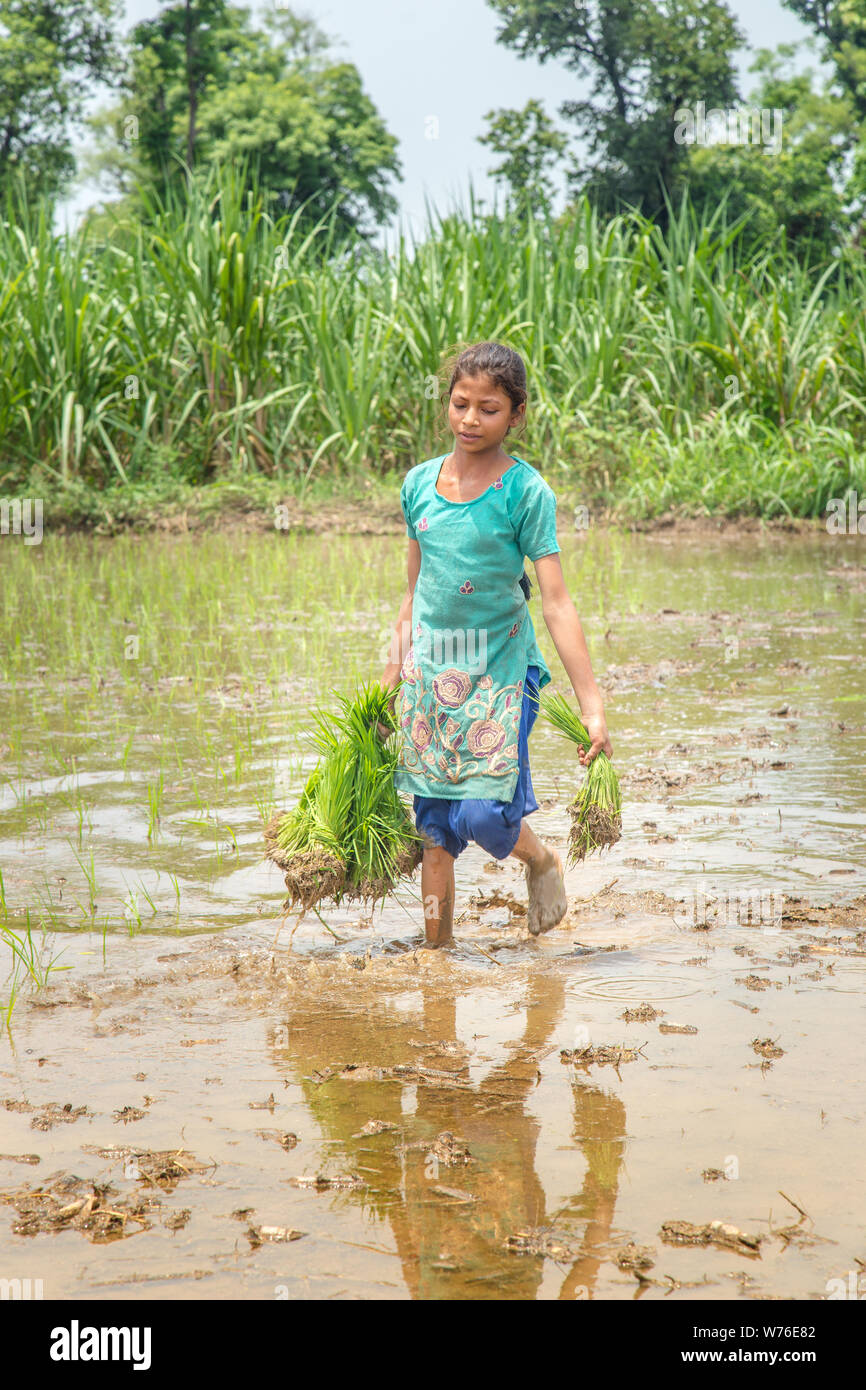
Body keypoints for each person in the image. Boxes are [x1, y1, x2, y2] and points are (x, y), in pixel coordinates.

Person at [379, 341, 612, 947]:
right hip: (431, 676)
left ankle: (539, 860)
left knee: (483, 813)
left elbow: (556, 602)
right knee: (433, 828)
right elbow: (413, 594)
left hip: (501, 673)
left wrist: (592, 710)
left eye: (488, 409)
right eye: (460, 405)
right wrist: (386, 683)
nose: (470, 420)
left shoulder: (525, 494)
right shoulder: (417, 488)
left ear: (517, 415)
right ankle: (438, 958)